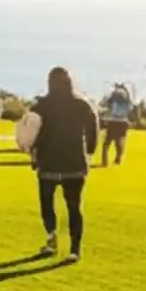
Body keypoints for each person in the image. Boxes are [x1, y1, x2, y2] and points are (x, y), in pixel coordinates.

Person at [29, 67, 98, 263]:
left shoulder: (41, 105)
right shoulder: (82, 104)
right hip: (75, 164)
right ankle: (74, 249)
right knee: (74, 207)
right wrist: (91, 149)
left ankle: (51, 238)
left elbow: (30, 130)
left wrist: (33, 155)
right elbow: (93, 125)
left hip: (48, 163)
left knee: (47, 204)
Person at [99, 83, 133, 167]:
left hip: (113, 121)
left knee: (106, 143)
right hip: (123, 122)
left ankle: (105, 162)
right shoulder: (127, 102)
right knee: (119, 142)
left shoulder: (114, 98)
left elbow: (108, 103)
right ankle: (118, 159)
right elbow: (130, 109)